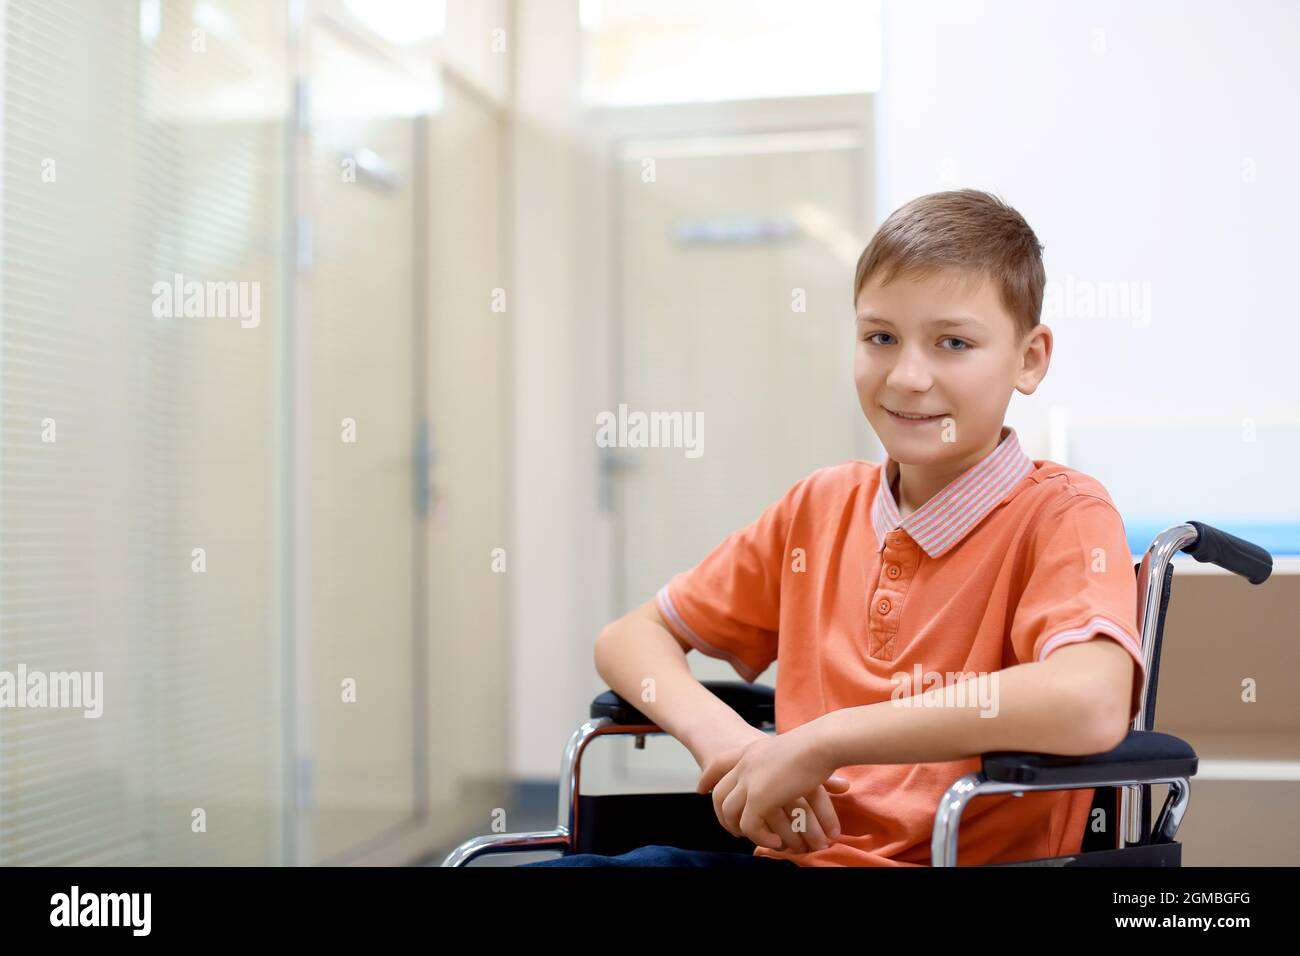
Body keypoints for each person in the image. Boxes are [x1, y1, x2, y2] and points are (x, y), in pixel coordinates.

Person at [521, 189, 1144, 867]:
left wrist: (827, 739)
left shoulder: (1062, 514)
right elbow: (629, 638)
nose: (907, 377)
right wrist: (732, 745)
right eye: (881, 337)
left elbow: (1091, 702)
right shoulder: (820, 508)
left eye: (953, 343)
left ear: (1029, 358)